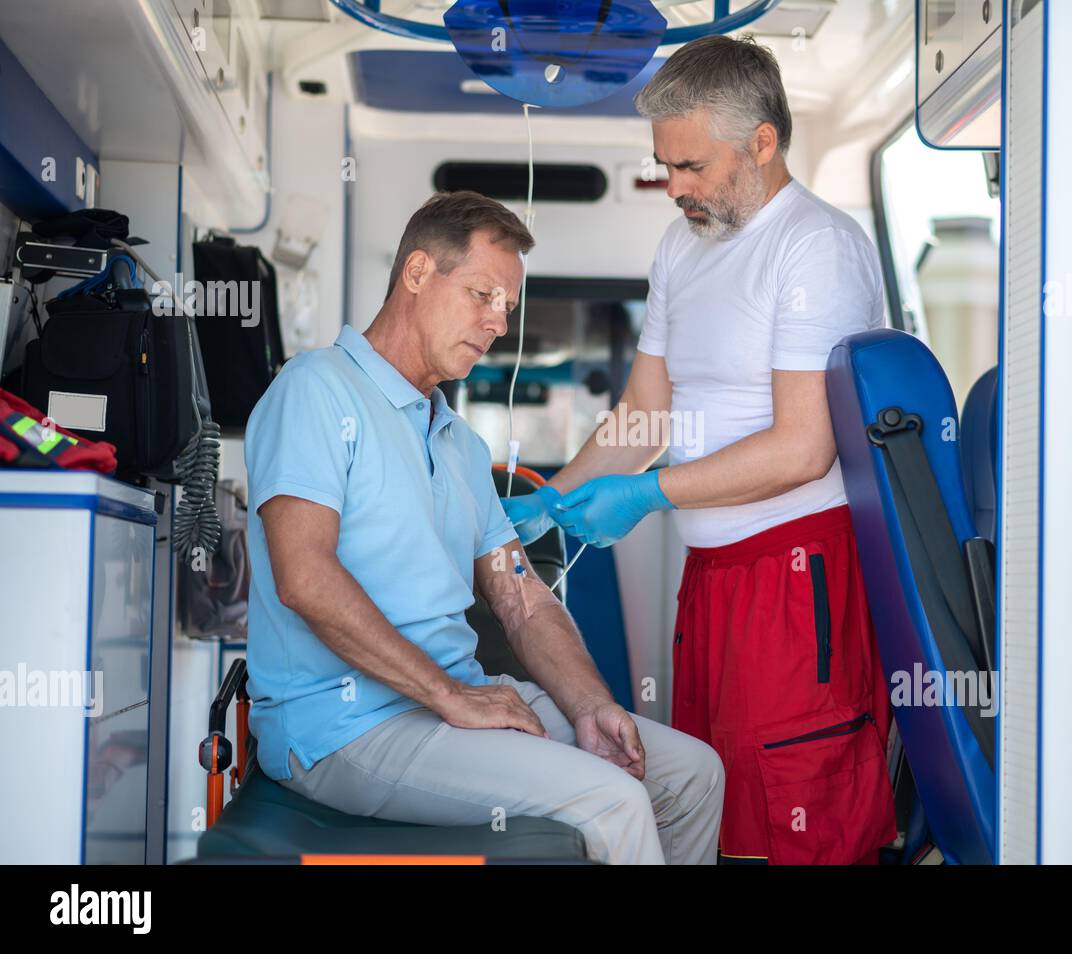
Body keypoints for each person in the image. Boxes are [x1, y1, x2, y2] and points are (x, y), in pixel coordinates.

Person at [503, 36, 896, 864]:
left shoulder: (814, 248)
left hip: (795, 580)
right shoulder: (682, 247)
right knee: (714, 815)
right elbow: (647, 409)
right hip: (712, 583)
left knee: (794, 825)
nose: (672, 186)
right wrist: (551, 503)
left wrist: (650, 496)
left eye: (690, 166)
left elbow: (802, 448)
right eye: (663, 166)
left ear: (761, 142)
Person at [243, 190, 724, 865]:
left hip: (452, 704)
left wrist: (589, 705)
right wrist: (451, 696)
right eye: (482, 294)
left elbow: (520, 596)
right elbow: (304, 577)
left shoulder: (460, 444)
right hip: (344, 727)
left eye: (508, 307)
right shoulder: (315, 390)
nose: (498, 321)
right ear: (416, 274)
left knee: (693, 774)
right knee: (614, 801)